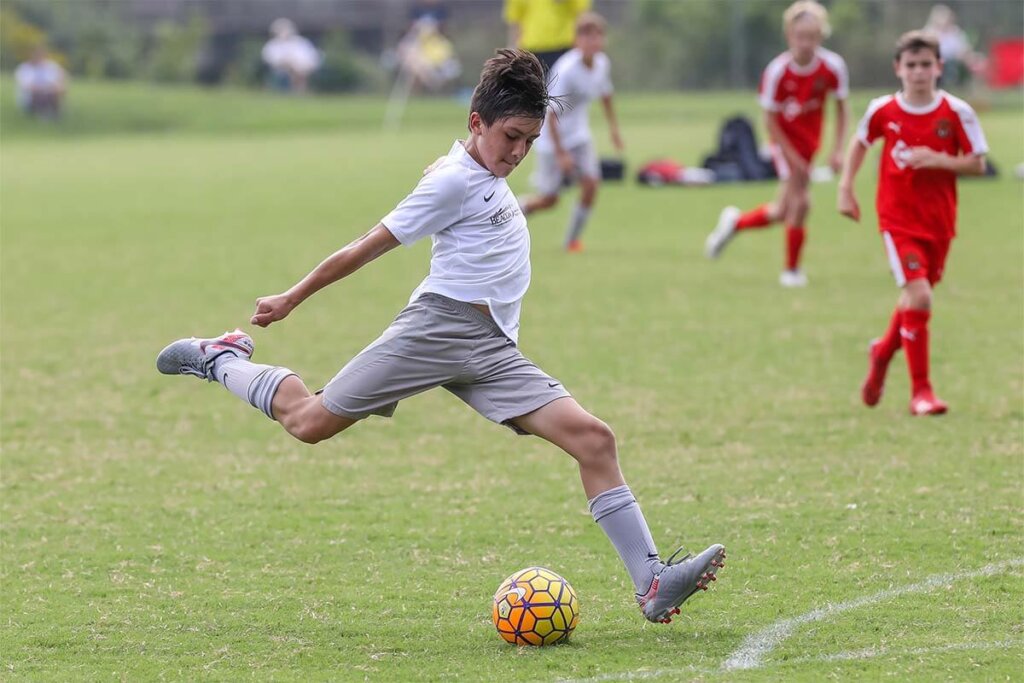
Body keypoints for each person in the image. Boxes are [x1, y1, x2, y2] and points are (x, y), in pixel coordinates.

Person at [157, 49, 725, 623]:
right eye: (511, 136)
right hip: (437, 330)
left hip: (492, 349)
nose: (518, 152)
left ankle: (652, 582)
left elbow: (471, 177)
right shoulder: (453, 181)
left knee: (594, 440)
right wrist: (290, 298)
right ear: (476, 122)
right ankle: (222, 359)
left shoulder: (476, 170)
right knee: (308, 423)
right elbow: (364, 247)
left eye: (530, 141)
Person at [837, 30, 988, 416]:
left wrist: (939, 160)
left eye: (926, 65)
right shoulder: (883, 110)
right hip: (897, 219)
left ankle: (882, 351)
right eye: (911, 65)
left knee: (914, 299)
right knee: (920, 296)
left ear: (939, 67)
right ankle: (922, 392)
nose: (918, 72)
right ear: (898, 69)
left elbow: (978, 164)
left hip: (939, 221)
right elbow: (860, 143)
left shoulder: (957, 112)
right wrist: (846, 188)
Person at [705, 1, 849, 288]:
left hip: (809, 145)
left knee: (781, 211)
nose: (805, 43)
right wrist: (793, 159)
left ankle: (735, 223)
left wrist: (837, 150)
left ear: (821, 36)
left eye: (812, 36)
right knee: (802, 202)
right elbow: (769, 120)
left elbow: (842, 109)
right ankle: (791, 271)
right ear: (788, 35)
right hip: (783, 144)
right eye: (800, 36)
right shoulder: (777, 71)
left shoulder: (833, 66)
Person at [519, 12, 622, 252]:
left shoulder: (602, 64)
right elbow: (551, 115)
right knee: (549, 200)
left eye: (597, 37)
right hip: (551, 139)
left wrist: (614, 130)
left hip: (579, 135)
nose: (593, 42)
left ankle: (571, 241)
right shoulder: (566, 69)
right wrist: (561, 153)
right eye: (587, 37)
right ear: (577, 41)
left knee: (591, 184)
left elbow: (606, 96)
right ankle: (514, 209)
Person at [504, 0, 592, 73]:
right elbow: (515, 20)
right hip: (531, 50)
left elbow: (582, 13)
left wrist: (584, 44)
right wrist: (512, 48)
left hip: (564, 48)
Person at [261, 18, 321, 93]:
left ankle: (300, 89)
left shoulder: (301, 42)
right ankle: (297, 89)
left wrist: (302, 65)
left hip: (303, 68)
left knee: (300, 70)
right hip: (282, 69)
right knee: (294, 70)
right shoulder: (272, 45)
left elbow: (311, 56)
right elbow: (270, 59)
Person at [15, 46, 67, 119]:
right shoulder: (24, 68)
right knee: (42, 93)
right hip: (31, 98)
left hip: (49, 94)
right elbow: (28, 86)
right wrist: (46, 89)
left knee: (57, 90)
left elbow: (61, 75)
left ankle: (54, 113)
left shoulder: (50, 66)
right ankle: (43, 112)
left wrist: (58, 85)